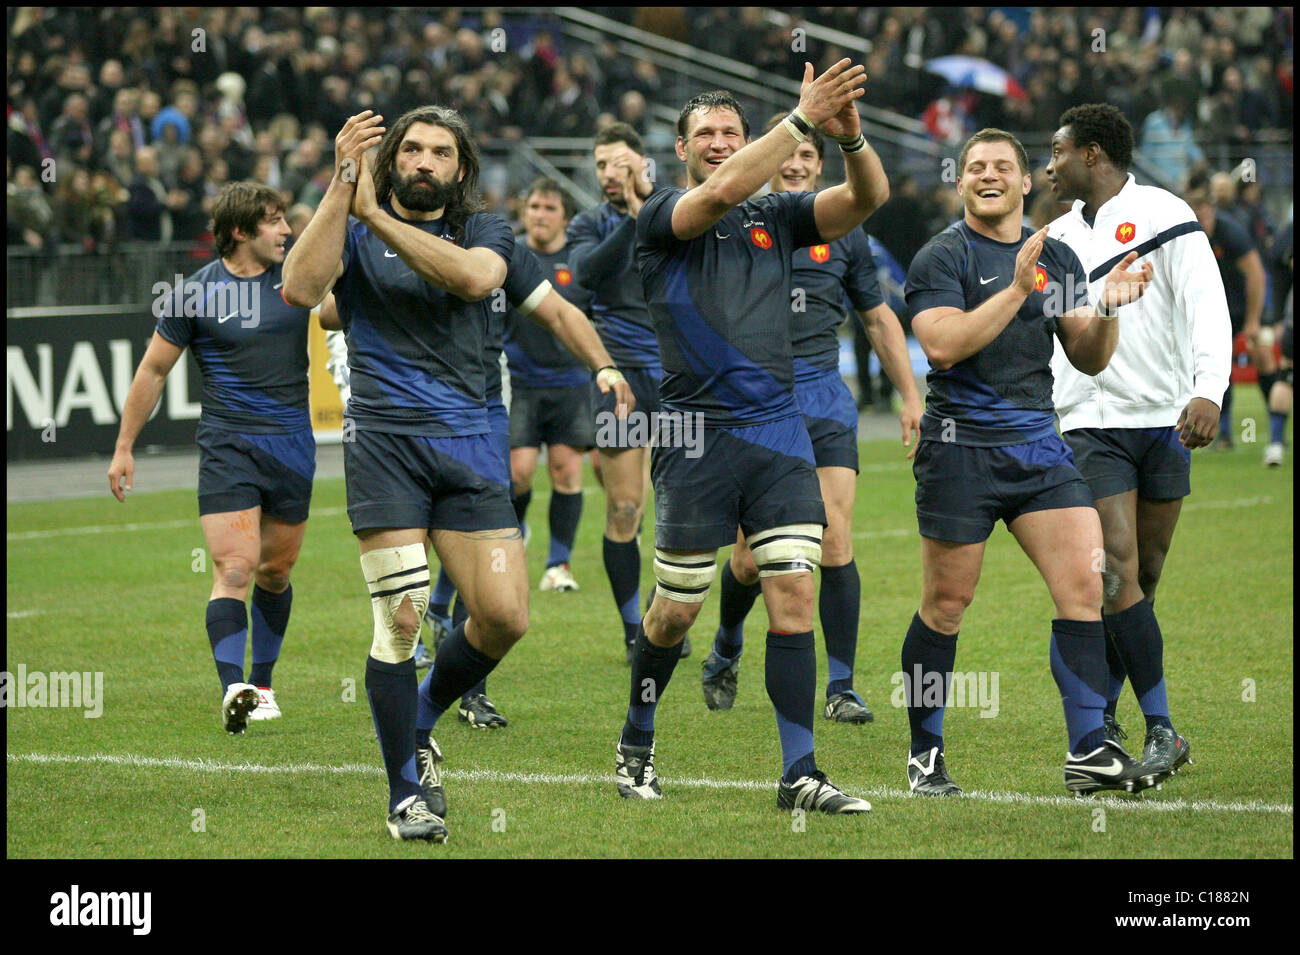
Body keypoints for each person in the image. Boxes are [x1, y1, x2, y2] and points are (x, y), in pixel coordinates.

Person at [620, 59, 890, 815]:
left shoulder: (780, 216)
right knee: (677, 607)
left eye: (729, 130)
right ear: (679, 148)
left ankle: (799, 769)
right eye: (703, 132)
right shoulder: (663, 213)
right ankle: (636, 739)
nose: (717, 141)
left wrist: (851, 136)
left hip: (777, 431)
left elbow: (869, 198)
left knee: (795, 591)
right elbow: (724, 190)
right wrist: (800, 120)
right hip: (693, 435)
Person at [282, 106, 524, 843]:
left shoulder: (486, 230)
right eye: (409, 149)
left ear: (460, 168)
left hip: (470, 446)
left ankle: (420, 719)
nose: (424, 161)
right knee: (403, 618)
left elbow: (475, 279)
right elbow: (299, 289)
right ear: (389, 162)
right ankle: (403, 794)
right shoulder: (349, 223)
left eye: (439, 152)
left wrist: (375, 217)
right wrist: (341, 186)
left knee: (506, 615)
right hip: (386, 445)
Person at [902, 127, 1160, 797]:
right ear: (959, 182)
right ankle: (925, 754)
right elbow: (943, 347)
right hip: (959, 450)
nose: (989, 175)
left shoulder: (1063, 259)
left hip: (1040, 447)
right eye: (975, 167)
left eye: (1003, 167)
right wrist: (1017, 289)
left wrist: (1106, 306)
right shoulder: (940, 257)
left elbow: (1089, 356)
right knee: (946, 605)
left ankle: (1087, 751)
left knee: (1087, 584)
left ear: (1024, 183)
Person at [700, 112, 923, 723]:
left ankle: (841, 687)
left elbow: (877, 317)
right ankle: (726, 644)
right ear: (769, 161)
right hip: (755, 399)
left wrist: (911, 395)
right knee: (749, 559)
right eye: (786, 157)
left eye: (806, 159)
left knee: (834, 538)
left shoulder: (844, 231)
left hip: (823, 393)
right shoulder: (734, 222)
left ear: (821, 167)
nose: (795, 166)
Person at [1046, 103, 1232, 779]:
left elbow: (1205, 300)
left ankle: (1102, 711)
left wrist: (1209, 388)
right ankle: (1163, 729)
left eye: (1057, 151)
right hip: (1090, 424)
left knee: (1142, 577)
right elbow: (1057, 336)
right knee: (1116, 567)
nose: (1048, 164)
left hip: (1163, 420)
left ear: (1093, 153)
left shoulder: (1163, 212)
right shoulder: (1055, 240)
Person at [109, 181, 311, 735]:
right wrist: (125, 446)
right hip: (227, 444)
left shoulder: (298, 279)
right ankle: (234, 688)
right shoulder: (193, 293)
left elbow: (343, 309)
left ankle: (263, 683)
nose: (286, 231)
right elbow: (153, 371)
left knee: (276, 569)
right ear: (241, 230)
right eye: (274, 221)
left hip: (292, 445)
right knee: (235, 566)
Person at [567, 122, 684, 664]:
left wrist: (649, 214)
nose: (607, 174)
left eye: (617, 163)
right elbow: (586, 273)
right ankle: (633, 625)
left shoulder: (677, 211)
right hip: (621, 381)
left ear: (642, 164)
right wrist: (635, 222)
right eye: (599, 166)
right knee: (625, 506)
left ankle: (669, 613)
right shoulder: (589, 222)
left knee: (682, 506)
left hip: (682, 377)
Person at [505, 178, 601, 594]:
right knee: (518, 473)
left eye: (548, 208)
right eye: (534, 207)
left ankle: (558, 565)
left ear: (564, 216)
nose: (539, 215)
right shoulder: (508, 259)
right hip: (522, 385)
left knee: (566, 473)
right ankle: (516, 529)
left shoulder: (578, 264)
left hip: (572, 384)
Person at [1183, 174, 1268, 455]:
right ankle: (1224, 433)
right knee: (1214, 368)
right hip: (1207, 309)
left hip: (1239, 307)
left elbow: (1255, 273)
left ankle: (1276, 418)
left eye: (1205, 215)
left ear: (1211, 211)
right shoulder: (1183, 236)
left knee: (1263, 360)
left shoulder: (1230, 232)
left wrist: (1253, 320)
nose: (1202, 223)